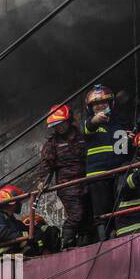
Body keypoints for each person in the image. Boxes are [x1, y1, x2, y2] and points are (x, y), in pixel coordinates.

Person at [81, 84, 129, 241]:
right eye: (96, 104)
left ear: (111, 104)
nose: (100, 106)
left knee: (119, 206)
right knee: (101, 213)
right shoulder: (89, 123)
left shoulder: (118, 125)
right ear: (90, 108)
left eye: (103, 102)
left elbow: (121, 152)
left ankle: (118, 234)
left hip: (117, 174)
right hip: (98, 175)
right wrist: (94, 120)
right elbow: (88, 128)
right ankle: (104, 240)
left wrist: (128, 139)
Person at [37, 105, 89, 249]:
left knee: (88, 213)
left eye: (61, 123)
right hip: (67, 185)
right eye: (56, 125)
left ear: (68, 120)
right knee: (76, 214)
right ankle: (67, 244)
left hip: (87, 180)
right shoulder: (52, 143)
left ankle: (85, 241)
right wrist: (43, 181)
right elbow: (46, 165)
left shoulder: (81, 135)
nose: (59, 127)